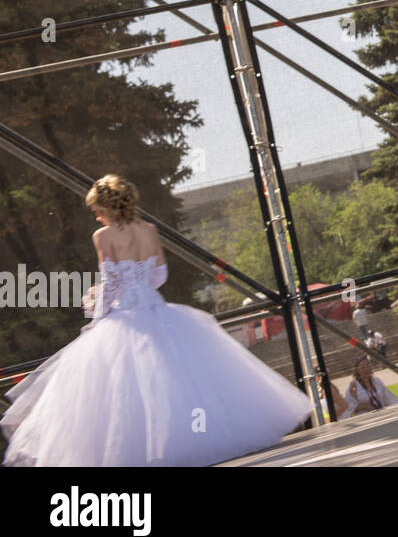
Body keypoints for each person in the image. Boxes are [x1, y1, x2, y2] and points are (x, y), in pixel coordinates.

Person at [1, 174, 313, 465]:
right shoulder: (149, 231)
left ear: (108, 207)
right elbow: (159, 275)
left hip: (125, 318)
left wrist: (96, 312)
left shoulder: (103, 235)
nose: (96, 216)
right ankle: (203, 439)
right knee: (186, 382)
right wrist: (137, 283)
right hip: (159, 311)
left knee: (128, 392)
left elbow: (110, 284)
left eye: (97, 209)